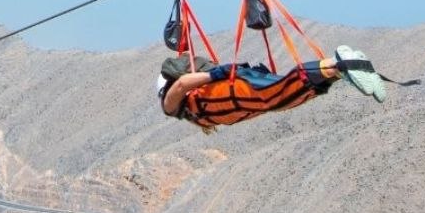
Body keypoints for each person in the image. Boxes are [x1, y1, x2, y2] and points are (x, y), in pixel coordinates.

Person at [157, 45, 386, 128]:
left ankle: (339, 63)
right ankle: (339, 70)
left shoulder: (172, 105)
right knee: (287, 96)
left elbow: (181, 84)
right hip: (241, 93)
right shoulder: (193, 110)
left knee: (278, 94)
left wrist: (217, 73)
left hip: (238, 89)